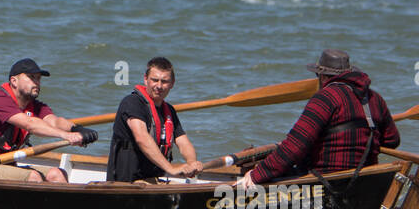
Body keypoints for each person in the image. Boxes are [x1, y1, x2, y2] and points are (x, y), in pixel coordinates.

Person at [236, 49, 400, 189]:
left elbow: (294, 146)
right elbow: (392, 141)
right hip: (366, 181)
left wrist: (258, 174)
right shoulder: (375, 98)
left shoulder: (325, 98)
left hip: (327, 183)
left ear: (322, 77)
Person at [0, 59, 97, 183]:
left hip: (2, 166)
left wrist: (77, 129)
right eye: (31, 77)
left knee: (57, 174)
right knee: (33, 177)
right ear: (14, 81)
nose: (37, 82)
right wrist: (65, 136)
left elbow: (54, 121)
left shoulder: (35, 106)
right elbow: (31, 124)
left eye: (38, 79)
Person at [106, 58, 203, 182]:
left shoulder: (169, 110)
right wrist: (171, 169)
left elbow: (183, 142)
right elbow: (141, 138)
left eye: (164, 81)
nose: (159, 86)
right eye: (154, 80)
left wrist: (192, 163)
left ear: (172, 83)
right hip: (126, 181)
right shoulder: (132, 103)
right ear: (146, 79)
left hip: (153, 179)